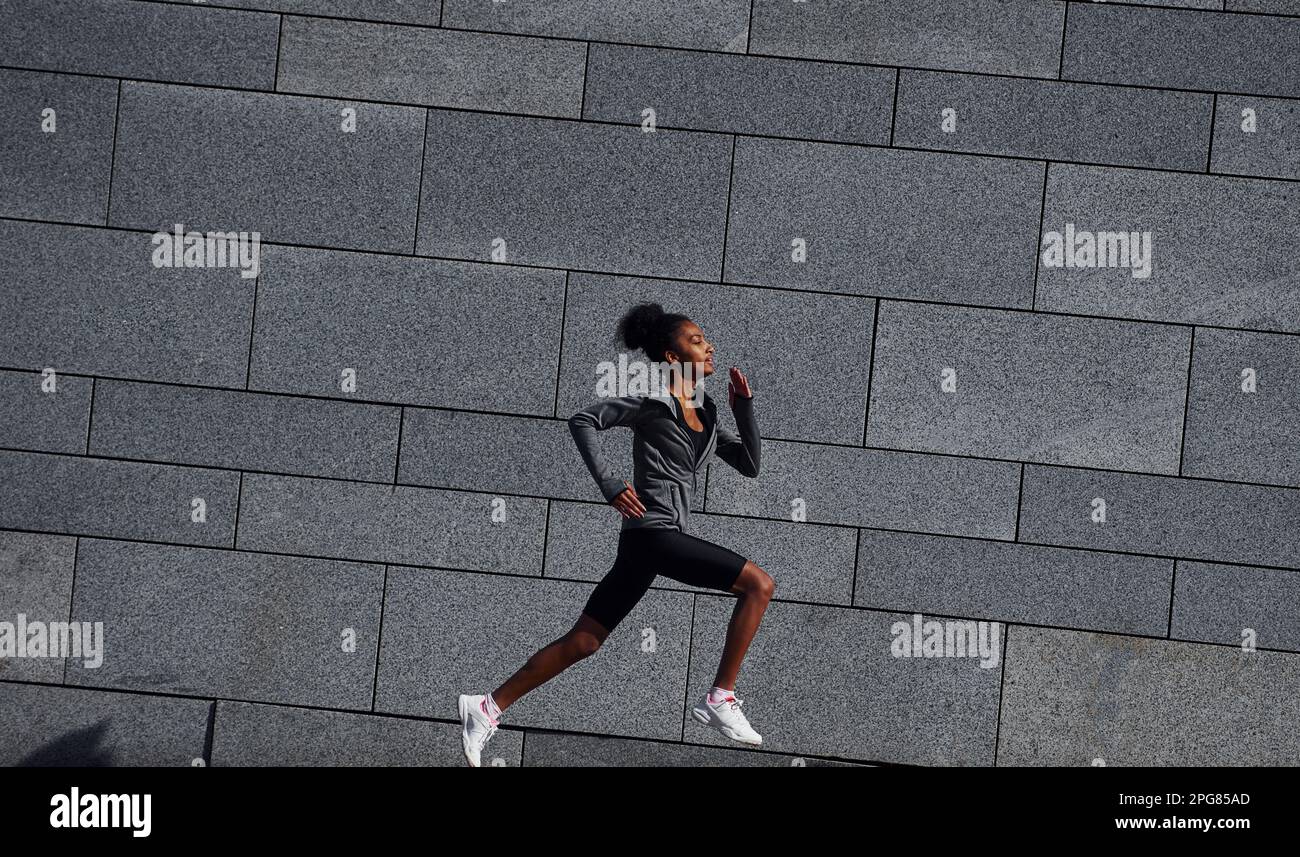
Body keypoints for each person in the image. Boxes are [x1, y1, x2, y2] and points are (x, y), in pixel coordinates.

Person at [457, 302, 774, 767]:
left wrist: (743, 408)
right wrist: (611, 485)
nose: (708, 346)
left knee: (584, 641)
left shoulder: (706, 417)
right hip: (653, 533)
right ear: (671, 356)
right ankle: (720, 698)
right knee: (758, 585)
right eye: (696, 340)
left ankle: (486, 707)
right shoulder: (650, 405)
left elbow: (750, 465)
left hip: (647, 546)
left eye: (705, 338)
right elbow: (582, 420)